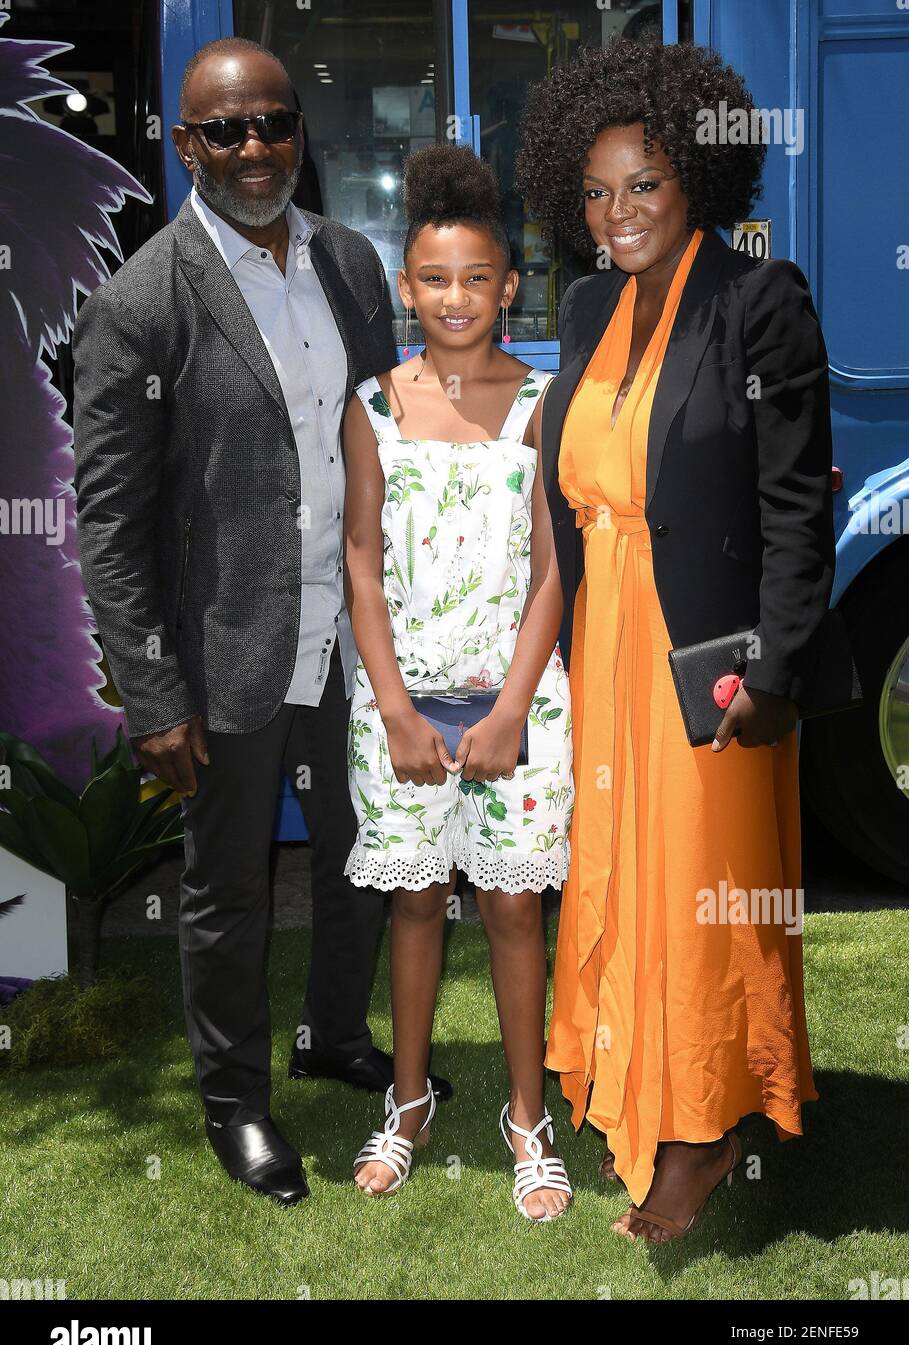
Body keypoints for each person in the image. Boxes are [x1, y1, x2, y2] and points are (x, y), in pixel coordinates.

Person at [73, 37, 448, 1208]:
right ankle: (235, 1102)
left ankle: (332, 1034)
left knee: (358, 861)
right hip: (221, 652)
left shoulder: (349, 264)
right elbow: (113, 521)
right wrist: (153, 694)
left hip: (353, 639)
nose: (252, 149)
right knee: (227, 889)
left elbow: (387, 447)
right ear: (186, 144)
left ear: (299, 134)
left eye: (273, 125)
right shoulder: (142, 299)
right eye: (224, 131)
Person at [516, 37, 835, 1242]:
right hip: (609, 647)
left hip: (713, 661)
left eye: (643, 182)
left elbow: (798, 504)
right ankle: (629, 1086)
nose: (619, 211)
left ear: (695, 176)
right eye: (595, 191)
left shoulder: (761, 300)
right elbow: (569, 486)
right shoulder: (590, 306)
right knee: (621, 878)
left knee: (703, 894)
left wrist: (775, 665)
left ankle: (705, 1126)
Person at [342, 144, 574, 1221]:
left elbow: (551, 565)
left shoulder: (541, 404)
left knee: (518, 907)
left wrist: (513, 707)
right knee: (418, 901)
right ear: (406, 285)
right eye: (434, 278)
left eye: (477, 278)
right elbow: (357, 560)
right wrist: (392, 707)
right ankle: (409, 1101)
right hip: (404, 709)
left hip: (514, 705)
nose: (455, 298)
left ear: (510, 283)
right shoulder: (375, 406)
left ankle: (528, 1119)